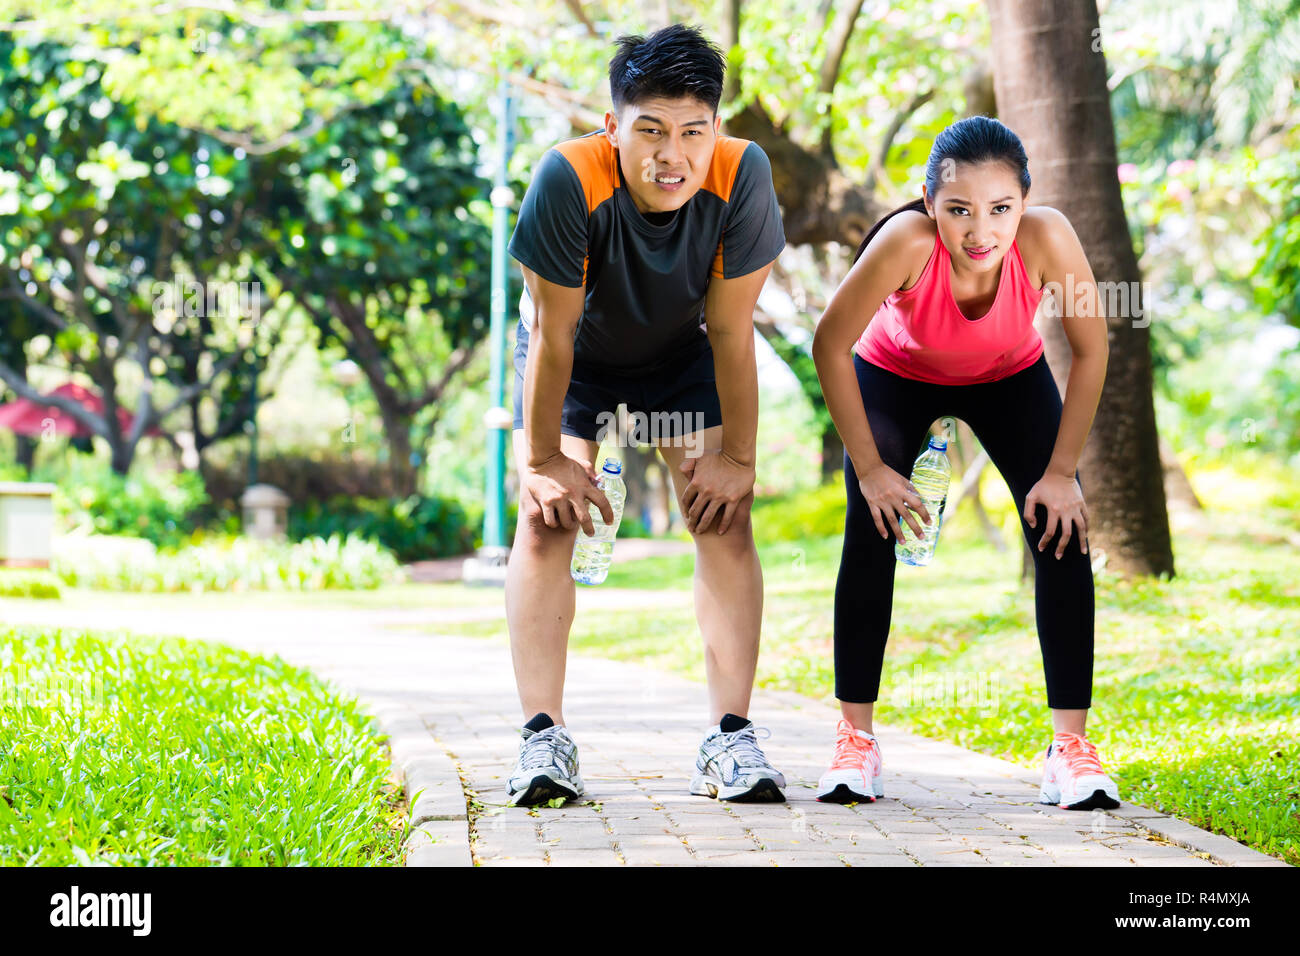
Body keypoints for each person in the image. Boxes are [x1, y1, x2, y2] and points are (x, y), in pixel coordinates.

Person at [503, 23, 788, 807]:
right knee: (545, 517)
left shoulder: (743, 172)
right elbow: (553, 333)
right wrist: (543, 461)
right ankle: (542, 741)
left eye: (693, 131)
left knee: (723, 513)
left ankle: (730, 738)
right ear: (613, 127)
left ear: (717, 130)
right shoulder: (568, 177)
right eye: (651, 130)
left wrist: (739, 459)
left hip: (677, 360)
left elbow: (732, 329)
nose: (673, 155)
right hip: (579, 363)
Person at [810, 116, 1121, 811]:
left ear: (1024, 202)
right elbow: (830, 344)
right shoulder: (905, 244)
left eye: (1000, 209)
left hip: (1011, 376)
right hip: (895, 373)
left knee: (1061, 529)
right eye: (959, 210)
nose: (981, 231)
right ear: (929, 205)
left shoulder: (1048, 238)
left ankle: (1070, 748)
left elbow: (1093, 350)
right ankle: (854, 739)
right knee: (872, 529)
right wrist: (869, 470)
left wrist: (1063, 471)